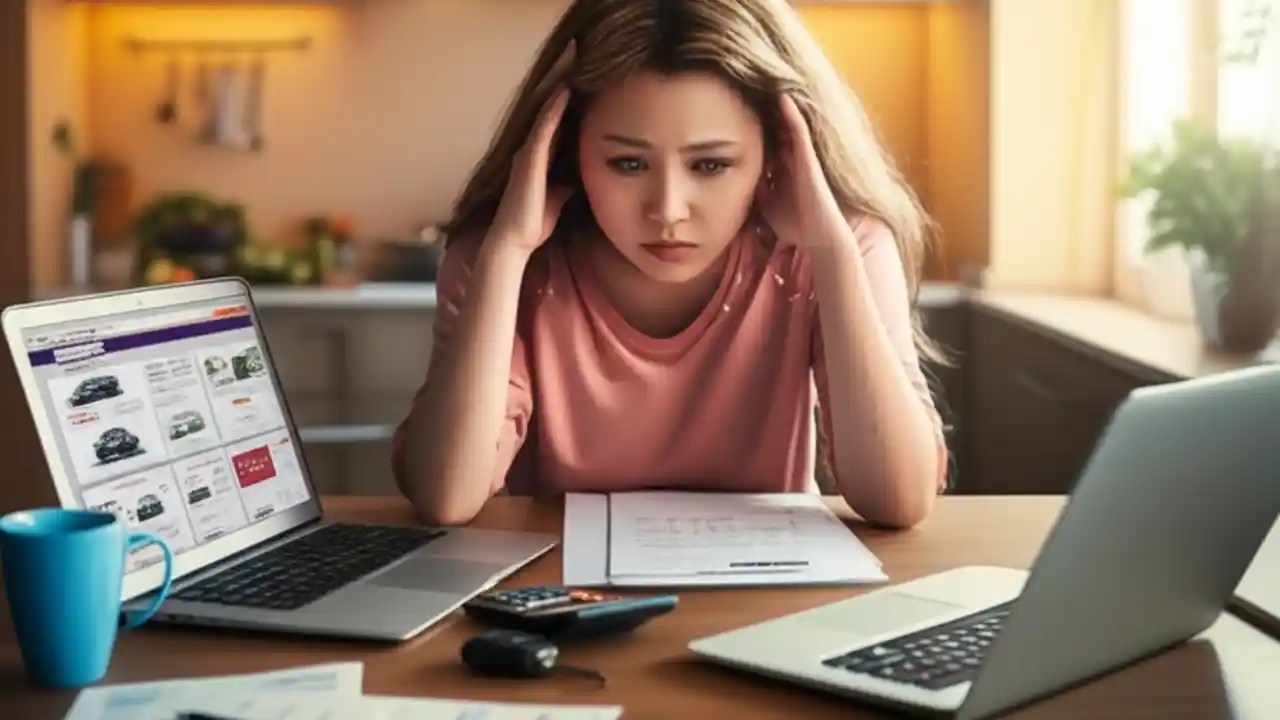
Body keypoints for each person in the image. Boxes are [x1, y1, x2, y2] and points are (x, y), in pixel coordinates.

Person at [392, 0, 949, 529]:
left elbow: (898, 498)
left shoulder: (837, 246)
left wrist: (833, 254)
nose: (668, 212)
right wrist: (505, 255)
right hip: (562, 604)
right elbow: (445, 495)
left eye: (710, 164)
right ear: (563, 146)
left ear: (779, 152)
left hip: (763, 603)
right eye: (628, 163)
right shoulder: (504, 258)